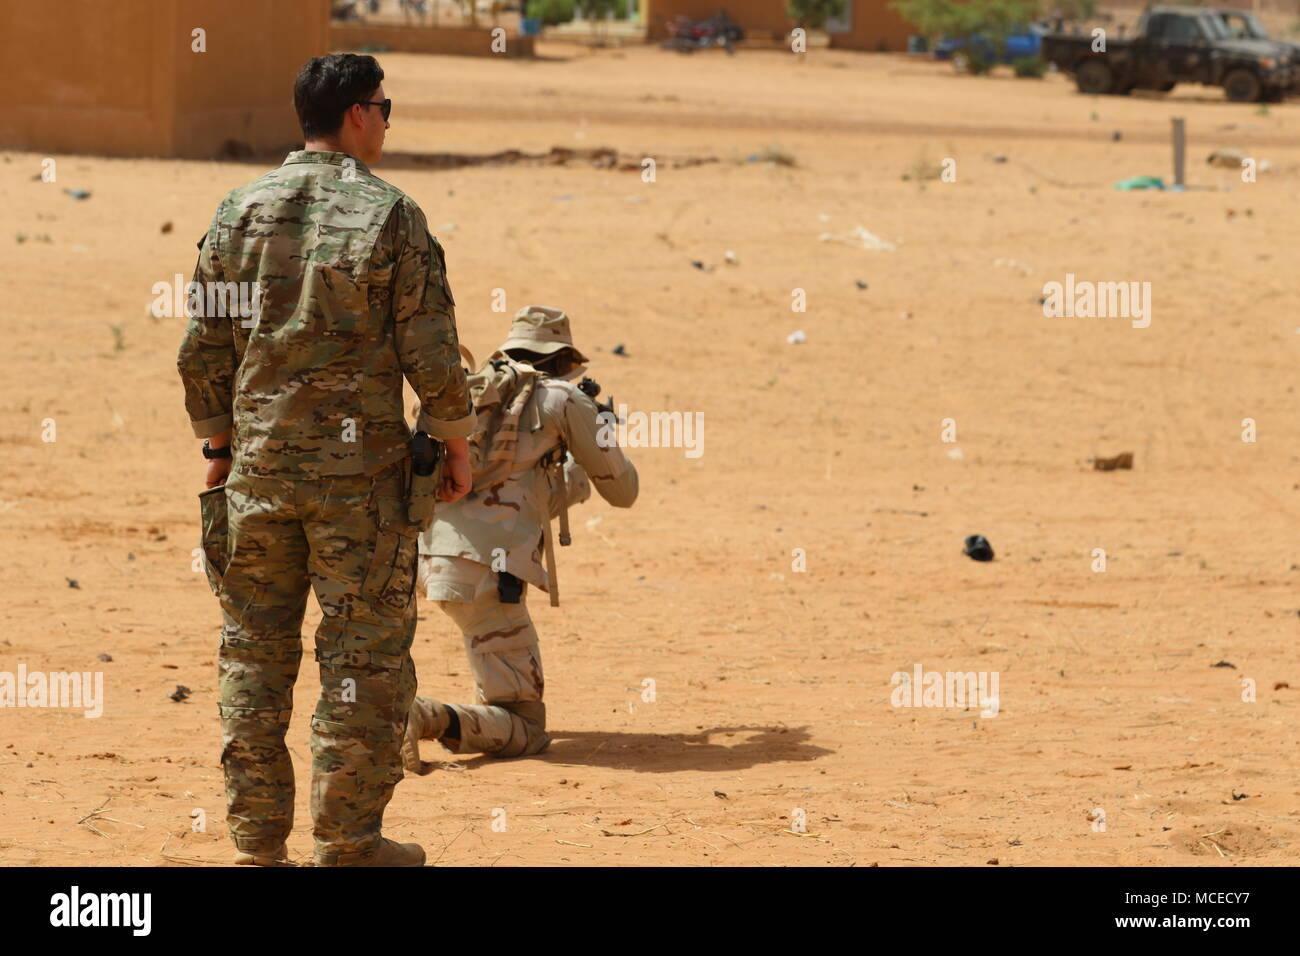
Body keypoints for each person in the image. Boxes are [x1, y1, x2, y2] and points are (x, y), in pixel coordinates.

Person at [176, 53, 475, 867]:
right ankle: (347, 844)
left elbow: (204, 345)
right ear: (355, 114)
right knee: (362, 664)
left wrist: (219, 445)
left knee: (253, 657)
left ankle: (255, 844)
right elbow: (432, 351)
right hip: (363, 491)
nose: (386, 120)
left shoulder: (238, 211)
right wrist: (455, 442)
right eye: (384, 106)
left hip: (259, 480)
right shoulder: (391, 215)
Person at [402, 306, 638, 769]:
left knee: (494, 667)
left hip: (428, 557)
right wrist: (600, 428)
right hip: (488, 575)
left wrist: (563, 457)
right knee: (526, 726)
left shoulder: (472, 394)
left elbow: (531, 498)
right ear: (564, 359)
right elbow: (624, 491)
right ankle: (421, 717)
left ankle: (460, 713)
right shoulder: (560, 400)